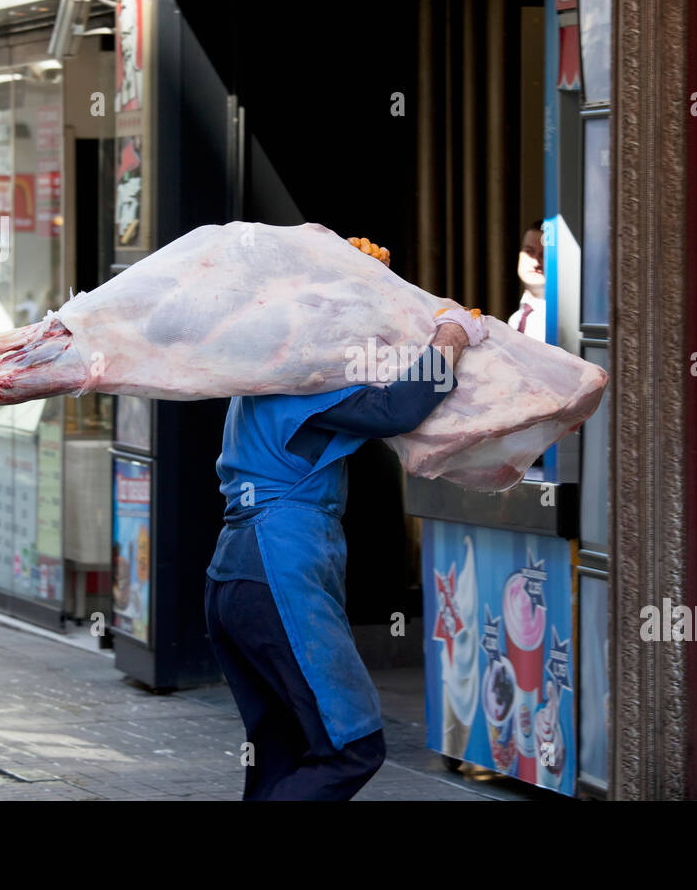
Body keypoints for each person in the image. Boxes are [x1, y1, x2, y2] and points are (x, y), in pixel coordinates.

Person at [203, 244, 487, 801]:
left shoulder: (260, 374)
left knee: (282, 747)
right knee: (352, 748)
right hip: (276, 568)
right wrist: (450, 337)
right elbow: (396, 409)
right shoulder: (300, 380)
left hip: (233, 574)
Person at [506, 220, 546, 341]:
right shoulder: (514, 319)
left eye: (544, 255)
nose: (535, 262)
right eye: (529, 251)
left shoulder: (560, 322)